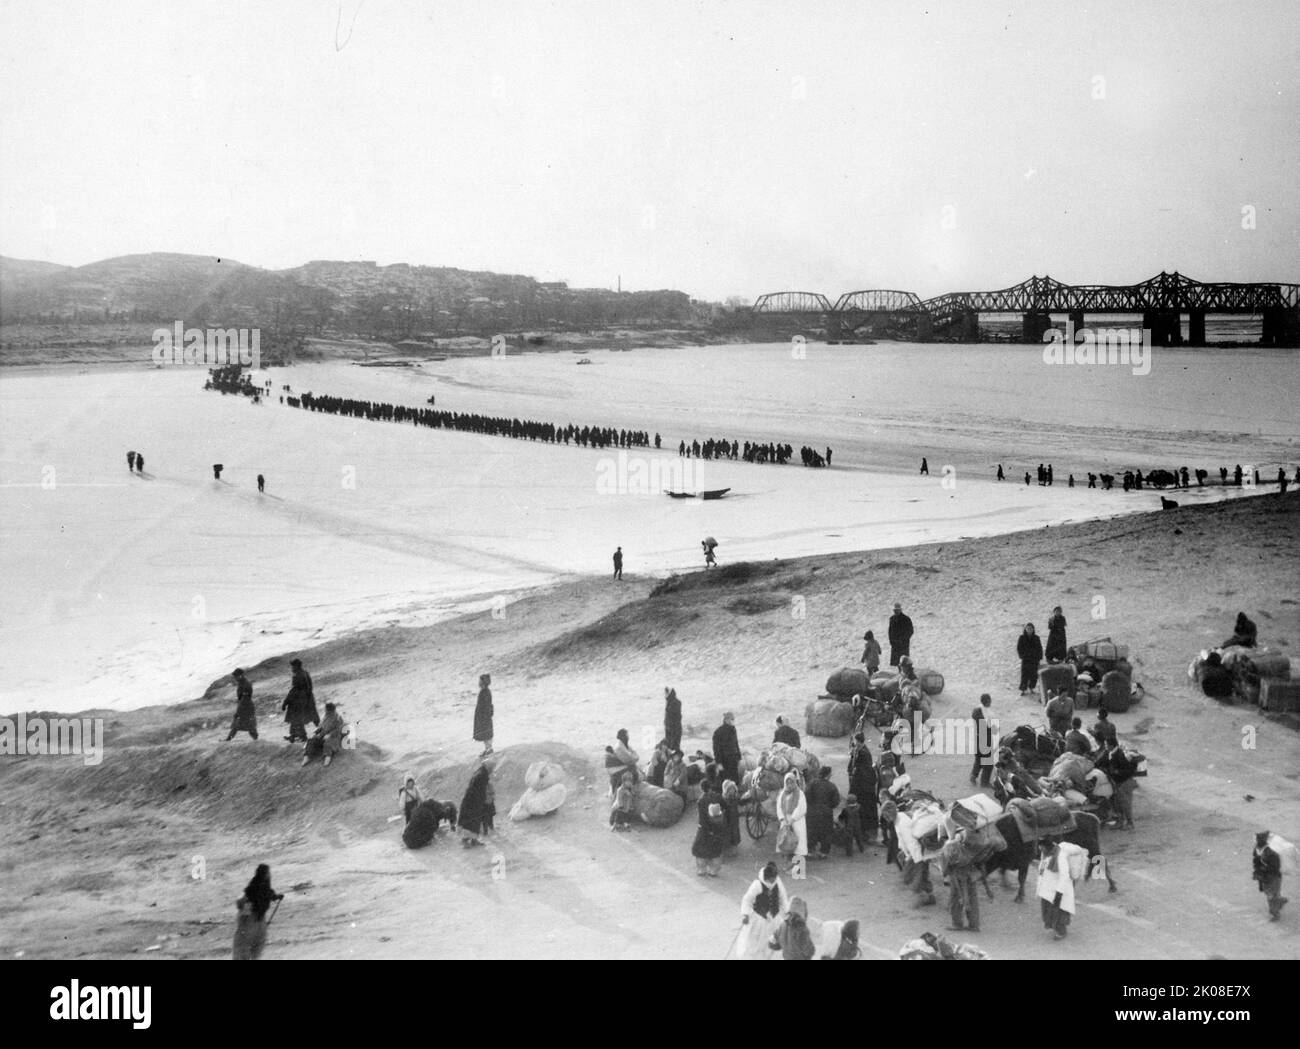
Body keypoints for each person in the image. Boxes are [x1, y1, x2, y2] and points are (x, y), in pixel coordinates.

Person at [735, 862, 789, 959]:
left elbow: (783, 898)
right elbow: (747, 900)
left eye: (774, 878)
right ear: (766, 877)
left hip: (774, 919)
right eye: (771, 879)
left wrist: (787, 913)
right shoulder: (757, 885)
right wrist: (745, 914)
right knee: (756, 943)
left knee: (773, 942)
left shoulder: (778, 883)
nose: (773, 881)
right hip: (759, 919)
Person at [1036, 838, 1087, 940]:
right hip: (1047, 888)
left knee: (1059, 911)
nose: (1040, 851)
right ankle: (1055, 927)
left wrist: (1059, 894)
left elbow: (1064, 876)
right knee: (1048, 909)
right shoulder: (1046, 854)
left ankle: (1061, 932)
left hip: (1059, 889)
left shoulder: (1060, 856)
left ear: (1046, 848)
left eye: (1041, 848)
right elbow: (1042, 867)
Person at [232, 864, 283, 960]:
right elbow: (270, 896)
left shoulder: (253, 887)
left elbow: (245, 903)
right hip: (258, 922)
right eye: (268, 873)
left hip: (251, 922)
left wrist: (243, 920)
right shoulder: (264, 888)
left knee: (244, 948)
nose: (269, 875)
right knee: (256, 948)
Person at [1096, 740, 1137, 829]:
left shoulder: (1120, 755)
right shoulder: (1108, 752)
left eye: (1107, 745)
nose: (1105, 746)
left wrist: (1116, 772)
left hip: (1125, 781)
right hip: (1116, 781)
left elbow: (1128, 771)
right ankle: (1120, 822)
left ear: (1112, 745)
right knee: (1117, 802)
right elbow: (1099, 762)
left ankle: (1130, 823)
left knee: (1125, 803)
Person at [847, 733, 878, 841]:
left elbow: (857, 768)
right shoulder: (860, 750)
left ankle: (864, 832)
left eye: (855, 741)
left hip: (862, 786)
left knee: (862, 809)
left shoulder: (863, 753)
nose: (854, 743)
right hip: (863, 784)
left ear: (858, 741)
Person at [805, 765, 841, 859]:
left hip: (812, 812)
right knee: (826, 833)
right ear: (828, 775)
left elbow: (807, 796)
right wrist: (828, 806)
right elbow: (836, 801)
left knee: (811, 831)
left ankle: (810, 851)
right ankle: (823, 852)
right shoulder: (832, 786)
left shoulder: (812, 783)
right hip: (826, 813)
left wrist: (812, 805)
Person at [457, 758, 495, 847]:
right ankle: (465, 841)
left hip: (474, 801)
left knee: (475, 821)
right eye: (492, 768)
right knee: (470, 820)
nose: (492, 770)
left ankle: (474, 840)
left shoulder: (482, 773)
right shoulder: (481, 775)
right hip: (472, 802)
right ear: (488, 767)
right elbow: (478, 790)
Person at [1252, 831, 1288, 921]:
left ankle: (1275, 914)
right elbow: (1255, 861)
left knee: (1271, 896)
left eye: (1258, 839)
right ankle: (1279, 901)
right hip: (1264, 877)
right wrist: (1257, 871)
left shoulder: (1271, 853)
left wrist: (1263, 870)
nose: (1257, 841)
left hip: (1273, 877)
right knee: (1268, 892)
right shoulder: (1257, 850)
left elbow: (1275, 868)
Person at [281, 658, 319, 742]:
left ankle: (301, 736)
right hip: (309, 698)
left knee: (296, 717)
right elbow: (310, 687)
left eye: (292, 666)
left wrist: (285, 702)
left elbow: (293, 690)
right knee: (313, 716)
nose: (291, 668)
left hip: (300, 700)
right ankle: (294, 735)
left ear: (296, 666)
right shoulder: (306, 673)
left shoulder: (297, 676)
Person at [775, 772, 808, 869]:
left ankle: (798, 867)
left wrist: (792, 819)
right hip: (785, 820)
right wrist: (782, 819)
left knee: (798, 843)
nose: (789, 785)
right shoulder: (782, 794)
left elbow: (801, 808)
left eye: (791, 782)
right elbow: (779, 807)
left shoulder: (800, 793)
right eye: (787, 782)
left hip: (797, 821)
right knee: (785, 842)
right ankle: (788, 864)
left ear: (795, 782)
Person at [691, 787, 727, 876]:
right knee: (715, 852)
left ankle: (701, 869)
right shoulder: (718, 798)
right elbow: (726, 806)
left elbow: (702, 819)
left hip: (704, 832)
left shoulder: (701, 801)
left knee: (700, 852)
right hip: (716, 832)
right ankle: (713, 870)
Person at [303, 702, 345, 767]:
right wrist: (315, 732)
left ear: (332, 710)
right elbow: (320, 727)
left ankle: (327, 758)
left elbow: (339, 729)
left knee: (328, 743)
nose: (326, 711)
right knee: (311, 740)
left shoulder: (338, 718)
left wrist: (330, 734)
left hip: (334, 737)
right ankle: (306, 757)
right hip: (322, 735)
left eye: (327, 710)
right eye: (326, 710)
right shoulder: (324, 716)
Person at [224, 668, 258, 741]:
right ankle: (228, 739)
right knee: (236, 725)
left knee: (250, 726)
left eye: (235, 676)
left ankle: (256, 739)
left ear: (240, 676)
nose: (235, 678)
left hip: (247, 707)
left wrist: (238, 711)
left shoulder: (246, 684)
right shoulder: (241, 682)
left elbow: (244, 699)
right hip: (244, 706)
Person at [969, 692, 994, 785]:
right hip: (985, 740)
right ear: (987, 701)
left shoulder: (977, 710)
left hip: (977, 738)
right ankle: (984, 782)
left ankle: (973, 775)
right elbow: (990, 726)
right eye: (989, 700)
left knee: (979, 759)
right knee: (988, 762)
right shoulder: (986, 713)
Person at [711, 712, 742, 786]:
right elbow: (716, 749)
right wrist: (718, 763)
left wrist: (739, 757)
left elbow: (736, 744)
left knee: (735, 780)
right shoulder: (718, 732)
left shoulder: (733, 730)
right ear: (726, 720)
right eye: (731, 719)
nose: (733, 721)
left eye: (733, 719)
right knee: (725, 781)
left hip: (733, 760)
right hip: (724, 761)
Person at [609, 729, 640, 793]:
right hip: (621, 770)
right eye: (627, 735)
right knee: (635, 775)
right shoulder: (619, 748)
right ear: (623, 737)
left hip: (627, 766)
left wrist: (633, 757)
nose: (628, 737)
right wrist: (633, 757)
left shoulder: (625, 745)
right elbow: (630, 759)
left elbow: (636, 756)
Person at [1017, 623, 1043, 695]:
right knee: (1024, 675)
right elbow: (1019, 648)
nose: (1029, 630)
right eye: (1028, 628)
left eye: (1031, 629)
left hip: (1034, 659)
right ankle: (1023, 689)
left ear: (1033, 629)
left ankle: (1031, 688)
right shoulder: (1022, 637)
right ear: (1025, 629)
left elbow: (1039, 648)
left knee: (1033, 675)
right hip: (1025, 659)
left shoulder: (1036, 638)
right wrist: (1022, 656)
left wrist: (1039, 658)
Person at [473, 673, 494, 757]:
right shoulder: (484, 692)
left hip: (485, 717)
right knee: (485, 734)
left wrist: (484, 716)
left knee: (487, 734)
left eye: (480, 681)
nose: (478, 682)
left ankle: (489, 750)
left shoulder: (485, 692)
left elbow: (486, 706)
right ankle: (487, 749)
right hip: (483, 717)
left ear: (483, 682)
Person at [721, 780, 742, 857]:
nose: (732, 791)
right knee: (729, 833)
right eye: (730, 789)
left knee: (734, 832)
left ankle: (734, 848)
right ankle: (729, 848)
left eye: (733, 789)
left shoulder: (734, 797)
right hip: (729, 819)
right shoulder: (724, 799)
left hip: (734, 818)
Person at [663, 687, 682, 752]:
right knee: (670, 745)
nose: (665, 696)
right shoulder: (670, 702)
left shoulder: (676, 703)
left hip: (674, 727)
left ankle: (675, 758)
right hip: (669, 727)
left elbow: (670, 712)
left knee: (674, 745)